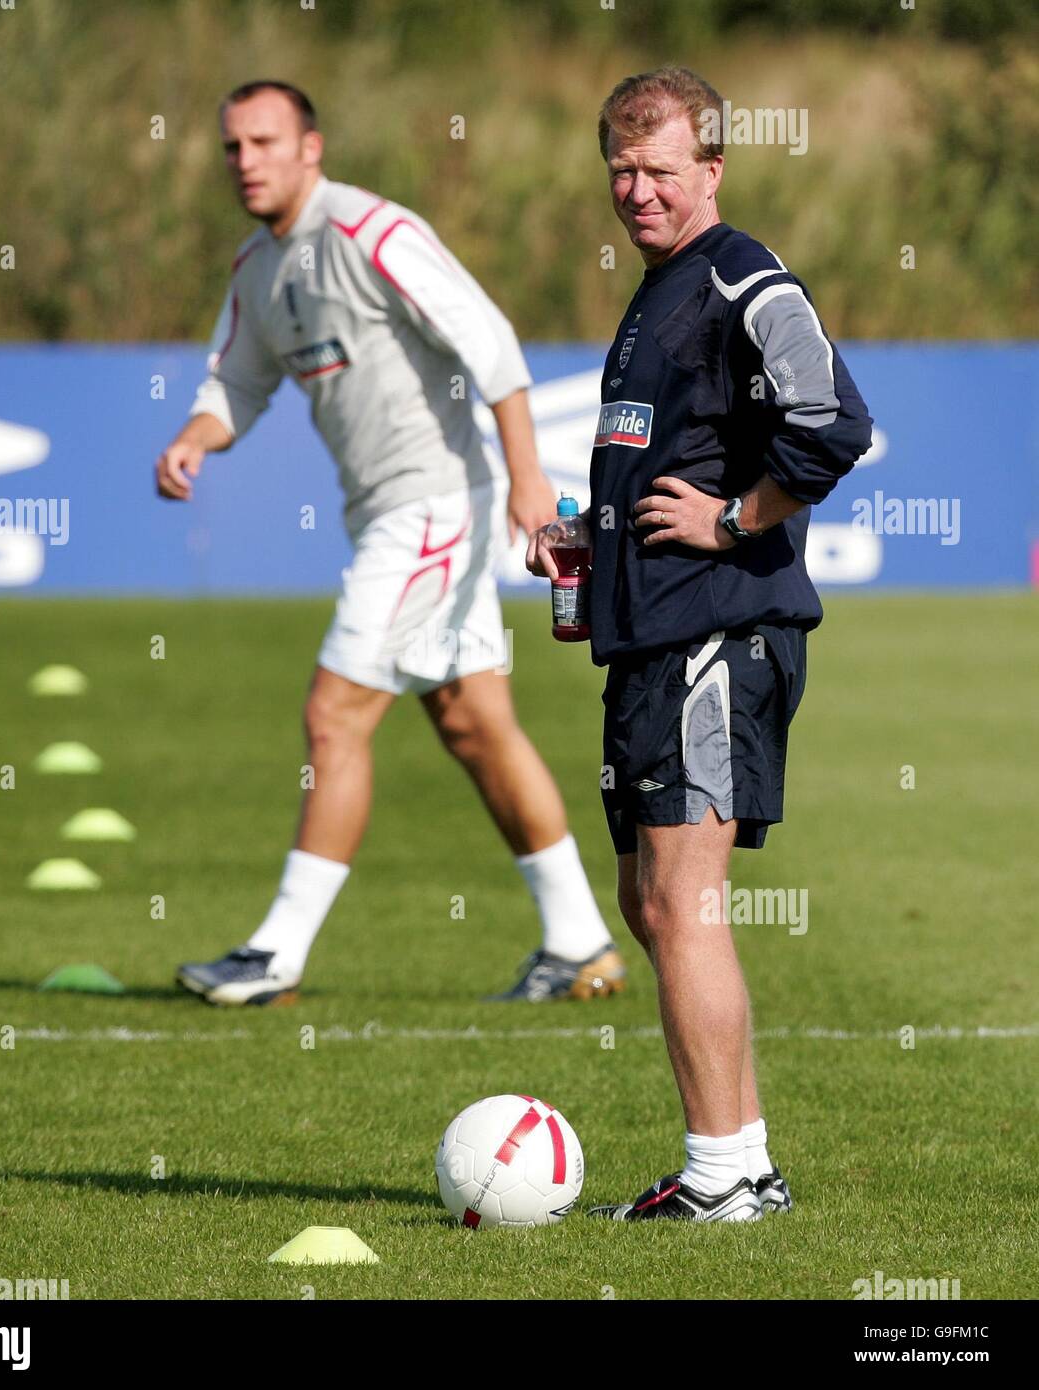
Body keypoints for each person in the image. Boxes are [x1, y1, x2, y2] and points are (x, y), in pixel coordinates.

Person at [157, 80, 625, 1007]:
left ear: (311, 149)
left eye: (263, 141)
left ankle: (276, 954)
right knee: (474, 725)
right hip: (387, 513)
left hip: (436, 505)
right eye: (231, 147)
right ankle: (580, 943)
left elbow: (491, 344)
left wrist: (529, 482)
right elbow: (235, 387)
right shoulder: (259, 268)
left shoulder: (373, 233)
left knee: (335, 717)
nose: (245, 160)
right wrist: (192, 440)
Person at [527, 67, 872, 1220]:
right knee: (649, 901)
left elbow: (831, 422)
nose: (635, 191)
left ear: (710, 169)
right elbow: (668, 459)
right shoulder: (657, 289)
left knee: (682, 901)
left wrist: (733, 521)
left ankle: (724, 1175)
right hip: (649, 637)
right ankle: (742, 1162)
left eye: (658, 170)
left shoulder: (740, 276)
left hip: (716, 638)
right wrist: (590, 535)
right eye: (619, 170)